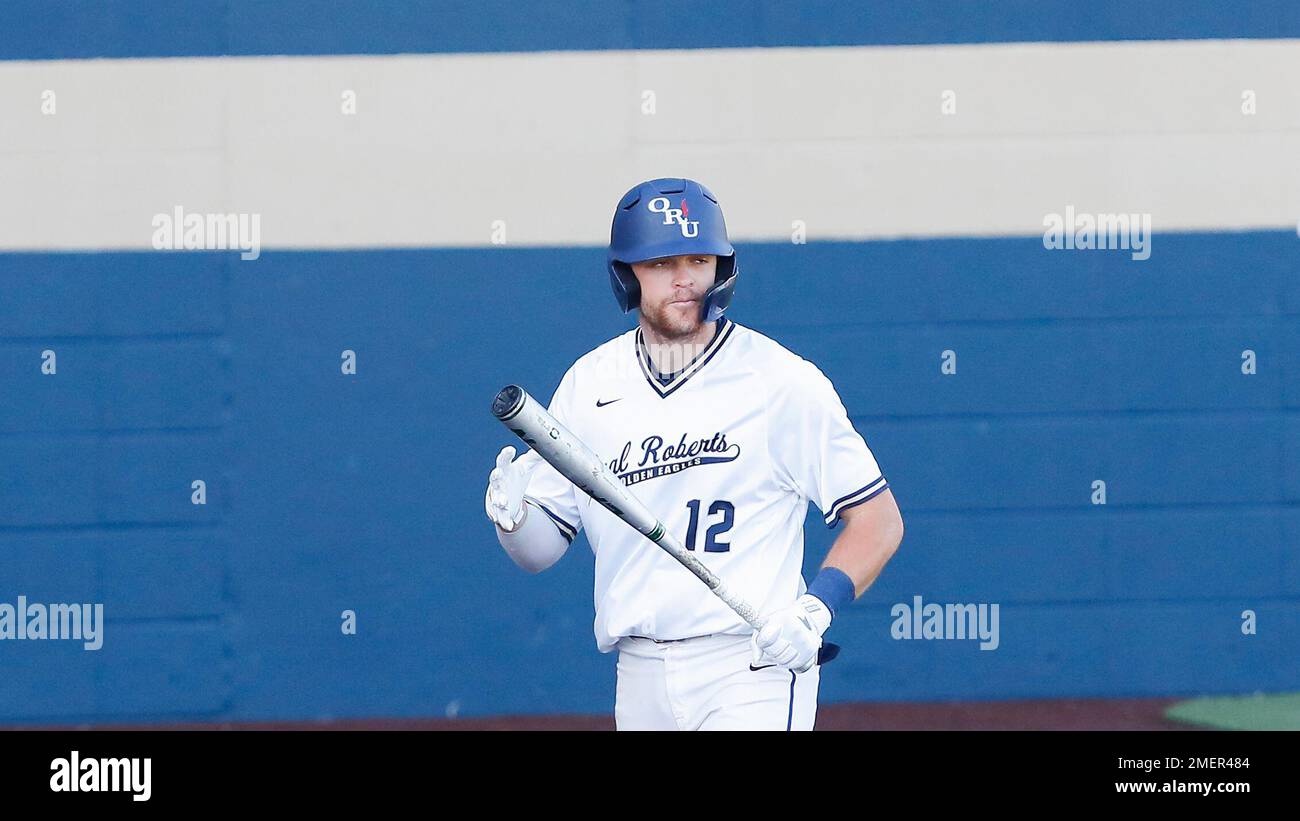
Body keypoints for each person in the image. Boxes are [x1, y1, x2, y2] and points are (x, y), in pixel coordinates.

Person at [485, 178, 904, 730]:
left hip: (750, 662)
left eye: (697, 259)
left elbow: (878, 521)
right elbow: (539, 553)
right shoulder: (588, 385)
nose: (683, 279)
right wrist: (512, 519)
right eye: (661, 263)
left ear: (720, 267)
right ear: (627, 274)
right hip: (638, 670)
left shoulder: (780, 381)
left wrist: (814, 610)